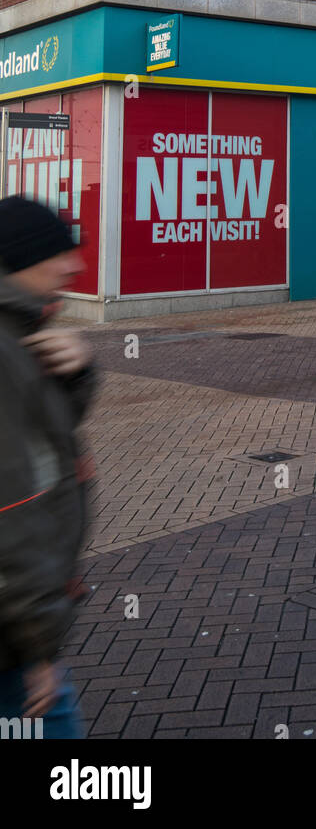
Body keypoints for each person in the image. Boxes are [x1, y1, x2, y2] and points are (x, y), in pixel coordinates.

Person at [0, 197, 97, 738]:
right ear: (20, 259)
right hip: (13, 639)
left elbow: (48, 431)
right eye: (59, 253)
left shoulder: (18, 334)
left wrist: (77, 372)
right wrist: (40, 644)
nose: (74, 266)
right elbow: (10, 509)